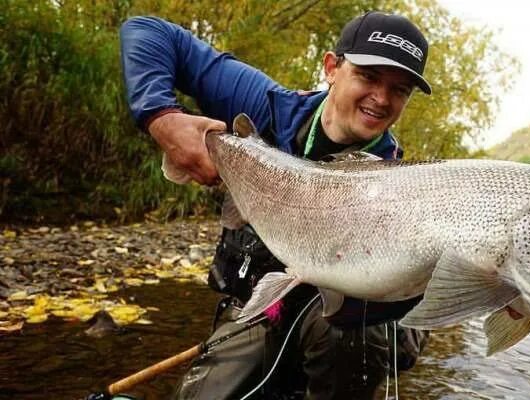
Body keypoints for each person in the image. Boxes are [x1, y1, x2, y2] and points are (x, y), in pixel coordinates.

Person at [120, 11, 431, 400]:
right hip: (259, 306)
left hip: (341, 322)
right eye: (368, 77)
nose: (381, 99)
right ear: (332, 68)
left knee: (355, 334)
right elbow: (147, 31)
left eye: (400, 89)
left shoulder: (402, 185)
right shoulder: (270, 107)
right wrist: (162, 117)